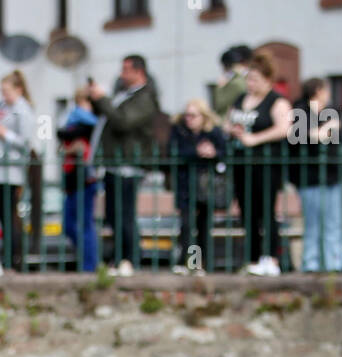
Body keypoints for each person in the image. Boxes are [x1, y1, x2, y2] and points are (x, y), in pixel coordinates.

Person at [88, 55, 159, 275]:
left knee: (124, 213)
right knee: (112, 214)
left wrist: (103, 99)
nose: (121, 74)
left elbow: (123, 121)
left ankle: (130, 258)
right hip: (113, 164)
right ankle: (118, 257)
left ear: (139, 72)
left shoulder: (145, 97)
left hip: (129, 164)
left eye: (126, 70)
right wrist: (96, 99)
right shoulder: (124, 95)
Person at [224, 51, 292, 275]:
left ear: (267, 80)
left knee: (265, 210)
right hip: (242, 163)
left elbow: (284, 128)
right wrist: (233, 131)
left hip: (265, 163)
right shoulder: (241, 99)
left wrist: (255, 139)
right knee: (247, 210)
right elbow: (226, 121)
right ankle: (252, 258)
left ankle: (270, 257)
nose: (250, 83)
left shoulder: (276, 101)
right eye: (249, 78)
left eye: (255, 79)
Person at [0, 70, 35, 274]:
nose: (4, 95)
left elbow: (26, 143)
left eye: (7, 91)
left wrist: (2, 130)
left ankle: (12, 261)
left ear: (18, 90)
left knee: (7, 217)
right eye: (2, 91)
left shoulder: (23, 110)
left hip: (10, 173)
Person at [290, 78, 342, 273]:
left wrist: (322, 132)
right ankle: (310, 264)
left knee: (333, 222)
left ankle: (334, 263)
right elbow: (299, 136)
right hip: (310, 177)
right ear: (318, 91)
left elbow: (337, 134)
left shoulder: (333, 112)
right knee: (312, 224)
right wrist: (320, 132)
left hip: (332, 175)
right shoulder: (300, 111)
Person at [168, 98, 227, 273]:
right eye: (187, 115)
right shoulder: (179, 131)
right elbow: (174, 152)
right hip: (186, 184)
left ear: (203, 116)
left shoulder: (213, 132)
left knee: (203, 227)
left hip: (206, 186)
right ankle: (185, 261)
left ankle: (199, 263)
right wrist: (197, 152)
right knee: (186, 225)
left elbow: (224, 152)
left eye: (193, 116)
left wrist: (213, 153)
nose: (189, 119)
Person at [57, 91, 99, 272]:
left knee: (85, 224)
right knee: (68, 225)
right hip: (71, 180)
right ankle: (86, 258)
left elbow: (81, 148)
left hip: (86, 180)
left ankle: (90, 266)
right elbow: (63, 144)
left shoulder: (92, 125)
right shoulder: (71, 124)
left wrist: (72, 149)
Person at [212, 46, 252, 122]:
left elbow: (219, 104)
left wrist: (219, 87)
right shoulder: (244, 78)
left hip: (228, 120)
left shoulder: (235, 82)